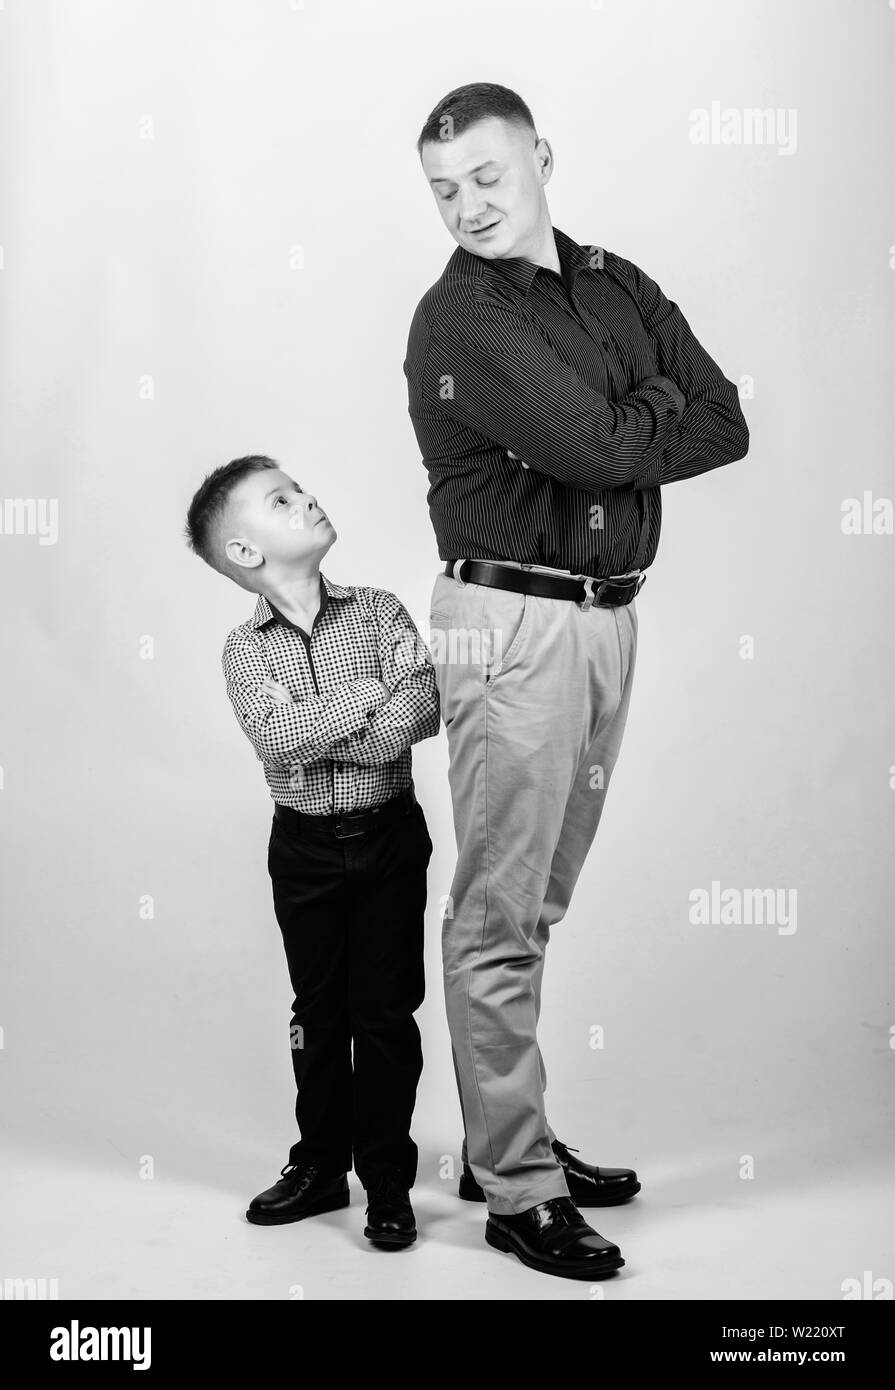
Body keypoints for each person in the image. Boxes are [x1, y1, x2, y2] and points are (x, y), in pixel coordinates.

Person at [404, 82, 749, 1280]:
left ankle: (512, 1138)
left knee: (537, 905)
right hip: (506, 623)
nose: (467, 207)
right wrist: (641, 413)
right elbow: (609, 449)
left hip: (605, 620)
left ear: (541, 155)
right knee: (497, 914)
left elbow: (728, 420)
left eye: (488, 178)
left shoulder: (616, 281)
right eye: (444, 190)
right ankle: (515, 1188)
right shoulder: (460, 321)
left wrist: (627, 413)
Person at [184, 454, 439, 1247]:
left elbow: (423, 710)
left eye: (300, 489)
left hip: (390, 836)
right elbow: (276, 735)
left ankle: (387, 1180)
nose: (308, 499)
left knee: (388, 1014)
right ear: (245, 554)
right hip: (304, 851)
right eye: (282, 500)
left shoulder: (379, 610)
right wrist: (372, 698)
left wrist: (326, 721)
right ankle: (321, 1164)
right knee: (318, 1015)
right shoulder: (244, 650)